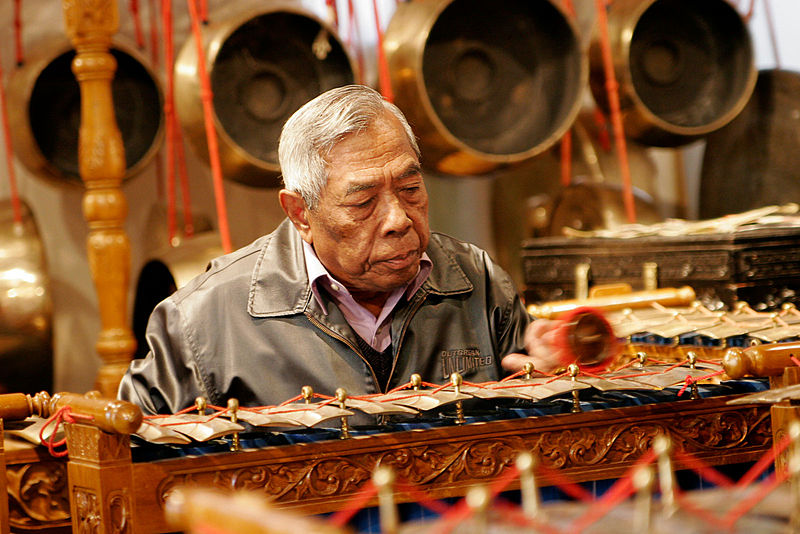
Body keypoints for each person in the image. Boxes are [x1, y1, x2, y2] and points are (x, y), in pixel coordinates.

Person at [118, 85, 562, 416]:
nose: (399, 219)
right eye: (363, 202)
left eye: (410, 188)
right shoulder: (203, 320)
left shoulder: (476, 281)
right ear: (300, 213)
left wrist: (556, 380)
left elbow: (542, 419)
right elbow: (128, 458)